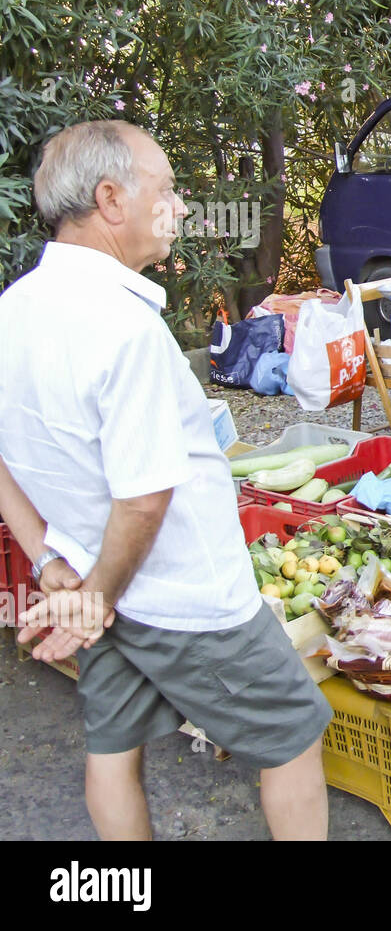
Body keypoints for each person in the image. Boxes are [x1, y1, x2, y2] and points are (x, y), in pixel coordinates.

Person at [0, 120, 332, 839]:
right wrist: (94, 596)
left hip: (98, 580)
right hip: (185, 597)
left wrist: (58, 567)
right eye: (169, 189)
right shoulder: (125, 328)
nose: (179, 207)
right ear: (111, 198)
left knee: (113, 748)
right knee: (295, 732)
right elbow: (145, 497)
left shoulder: (13, 310)